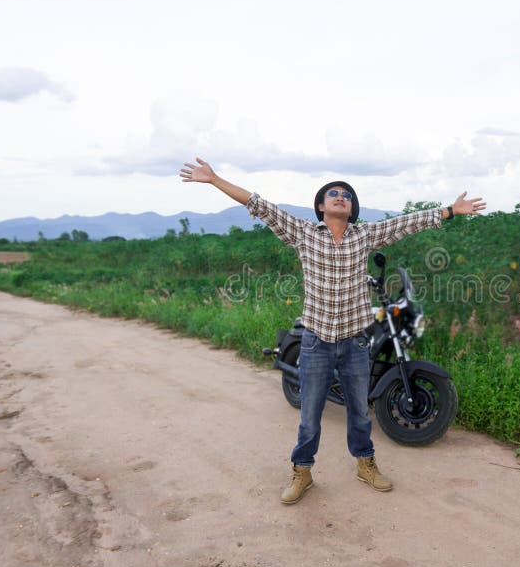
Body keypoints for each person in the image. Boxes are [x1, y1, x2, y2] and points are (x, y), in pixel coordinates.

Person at [180, 157, 487, 504]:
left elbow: (407, 223)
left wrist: (451, 210)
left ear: (352, 209)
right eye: (334, 194)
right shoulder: (304, 233)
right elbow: (258, 205)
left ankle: (365, 464)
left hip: (355, 342)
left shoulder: (364, 235)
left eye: (347, 195)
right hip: (316, 342)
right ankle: (302, 472)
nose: (341, 197)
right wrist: (214, 179)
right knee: (310, 417)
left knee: (360, 413)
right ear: (321, 207)